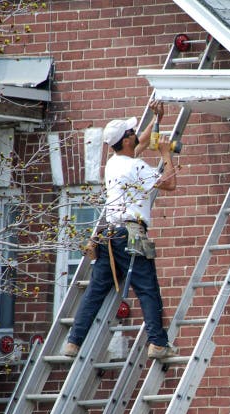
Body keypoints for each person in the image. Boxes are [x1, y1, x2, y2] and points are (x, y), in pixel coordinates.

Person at [63, 101, 178, 359]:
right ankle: (158, 343)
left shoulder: (115, 163)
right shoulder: (135, 167)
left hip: (108, 234)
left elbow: (137, 146)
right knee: (148, 289)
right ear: (125, 140)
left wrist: (156, 121)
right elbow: (170, 184)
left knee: (96, 289)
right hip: (130, 235)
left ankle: (73, 341)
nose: (135, 135)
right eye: (131, 132)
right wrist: (165, 154)